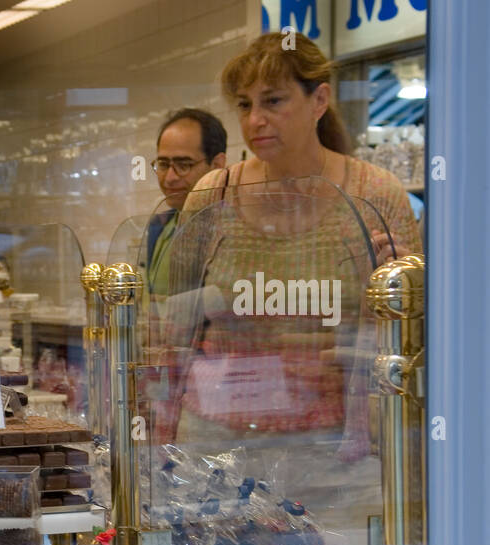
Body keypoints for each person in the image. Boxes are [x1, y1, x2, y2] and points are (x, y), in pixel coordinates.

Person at [155, 31, 421, 518]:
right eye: (244, 104)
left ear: (319, 99)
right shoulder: (213, 195)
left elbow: (412, 341)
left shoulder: (376, 195)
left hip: (334, 456)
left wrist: (403, 287)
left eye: (273, 101)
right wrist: (154, 442)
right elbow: (175, 330)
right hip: (217, 452)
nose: (255, 120)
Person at [144, 108, 228, 295]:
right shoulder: (159, 226)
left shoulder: (236, 227)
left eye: (184, 165)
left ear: (217, 165)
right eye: (164, 164)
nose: (169, 178)